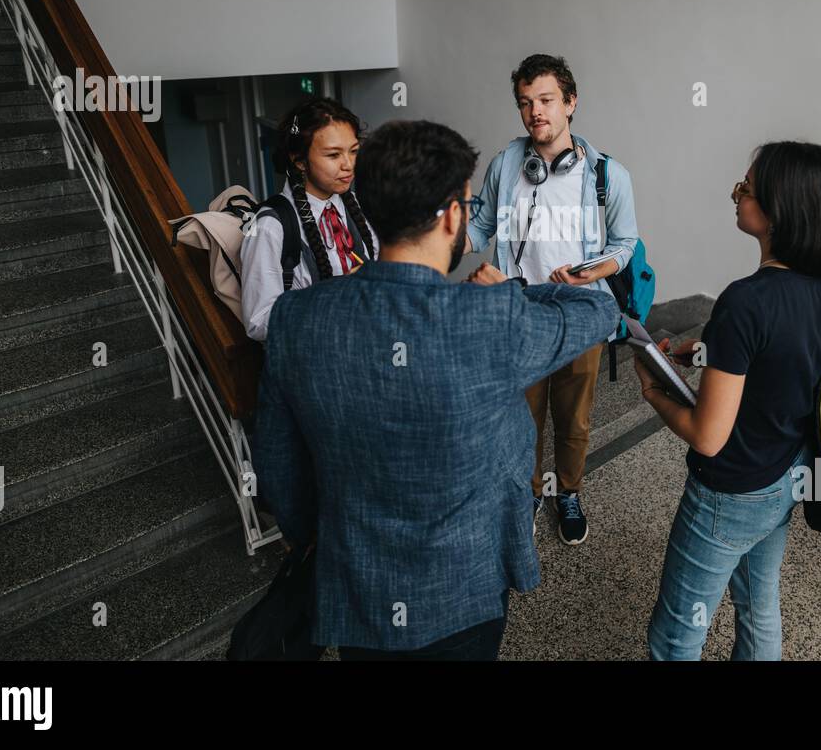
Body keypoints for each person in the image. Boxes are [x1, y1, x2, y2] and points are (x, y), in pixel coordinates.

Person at [252, 119, 620, 660]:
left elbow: (278, 462)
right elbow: (598, 307)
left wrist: (316, 536)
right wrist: (515, 294)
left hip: (360, 588)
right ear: (452, 217)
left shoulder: (296, 319)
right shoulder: (491, 320)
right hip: (466, 586)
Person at [638, 141, 821, 660]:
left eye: (747, 188)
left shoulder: (747, 300)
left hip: (730, 491)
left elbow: (708, 436)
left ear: (779, 209)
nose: (735, 195)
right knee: (758, 604)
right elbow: (783, 352)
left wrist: (653, 393)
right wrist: (705, 349)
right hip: (789, 469)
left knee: (674, 636)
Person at [465, 54, 639, 545]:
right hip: (517, 314)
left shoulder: (608, 176)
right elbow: (479, 228)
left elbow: (624, 247)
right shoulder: (505, 165)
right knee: (519, 422)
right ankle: (526, 493)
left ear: (570, 102)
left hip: (578, 317)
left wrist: (590, 273)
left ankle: (568, 491)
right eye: (525, 103)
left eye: (545, 100)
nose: (534, 112)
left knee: (574, 419)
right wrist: (431, 240)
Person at [239, 98, 378, 343]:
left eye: (354, 151)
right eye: (333, 155)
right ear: (299, 160)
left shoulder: (358, 205)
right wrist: (338, 294)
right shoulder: (269, 227)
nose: (348, 165)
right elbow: (259, 322)